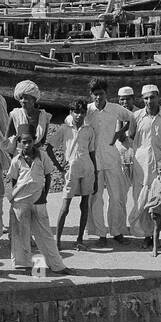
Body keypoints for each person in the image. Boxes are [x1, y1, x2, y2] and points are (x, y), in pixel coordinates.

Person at [7, 126, 69, 275]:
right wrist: (14, 200)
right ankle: (26, 265)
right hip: (20, 202)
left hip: (39, 201)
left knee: (44, 235)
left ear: (34, 141)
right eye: (24, 142)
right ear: (19, 143)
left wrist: (44, 196)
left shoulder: (42, 156)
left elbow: (48, 176)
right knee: (21, 234)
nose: (27, 145)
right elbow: (13, 182)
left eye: (29, 141)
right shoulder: (16, 160)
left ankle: (57, 265)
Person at [85, 79, 133, 243]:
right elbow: (72, 122)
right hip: (93, 160)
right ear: (91, 95)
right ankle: (100, 234)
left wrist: (120, 133)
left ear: (106, 94)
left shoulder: (115, 109)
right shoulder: (87, 111)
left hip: (112, 158)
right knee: (96, 198)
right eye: (95, 94)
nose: (98, 97)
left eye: (101, 94)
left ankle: (117, 231)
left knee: (116, 196)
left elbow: (132, 118)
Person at [129, 84, 161, 238]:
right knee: (140, 196)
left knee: (156, 197)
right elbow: (132, 136)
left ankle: (153, 234)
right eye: (146, 98)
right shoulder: (136, 116)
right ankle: (144, 234)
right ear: (142, 99)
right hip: (140, 163)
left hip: (159, 163)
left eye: (152, 97)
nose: (149, 101)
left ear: (158, 97)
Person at [56, 98, 97, 253]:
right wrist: (60, 167)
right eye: (76, 112)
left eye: (82, 112)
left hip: (87, 169)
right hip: (71, 171)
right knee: (65, 206)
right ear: (71, 112)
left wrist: (96, 176)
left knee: (85, 205)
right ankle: (57, 240)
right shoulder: (64, 129)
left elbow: (92, 152)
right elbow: (49, 147)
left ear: (85, 112)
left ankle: (79, 239)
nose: (79, 115)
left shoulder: (89, 129)